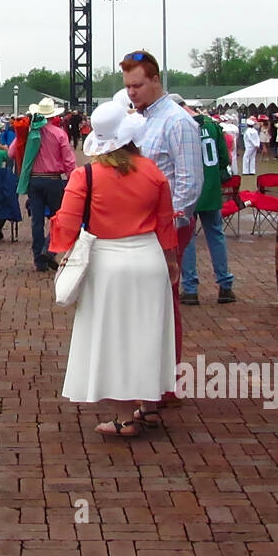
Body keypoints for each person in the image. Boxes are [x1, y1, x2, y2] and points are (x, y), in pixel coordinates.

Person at [50, 100, 177, 437]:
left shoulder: (86, 175)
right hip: (149, 257)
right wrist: (172, 259)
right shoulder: (153, 172)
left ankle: (124, 418)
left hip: (107, 262)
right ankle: (148, 406)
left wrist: (61, 250)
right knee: (149, 332)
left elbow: (68, 221)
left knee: (115, 338)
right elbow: (166, 223)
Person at [121, 52, 203, 388]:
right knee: (147, 305)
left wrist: (172, 227)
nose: (132, 92)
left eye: (138, 85)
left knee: (164, 304)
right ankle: (147, 375)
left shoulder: (177, 122)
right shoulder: (142, 119)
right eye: (128, 86)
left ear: (156, 80)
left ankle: (166, 380)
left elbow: (189, 182)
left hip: (165, 227)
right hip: (140, 225)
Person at [10, 97, 76, 272]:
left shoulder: (29, 133)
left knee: (36, 220)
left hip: (34, 180)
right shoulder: (59, 133)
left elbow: (11, 152)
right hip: (54, 180)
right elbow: (69, 161)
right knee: (60, 217)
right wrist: (73, 179)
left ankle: (38, 258)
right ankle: (50, 248)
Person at [181, 110, 235, 306]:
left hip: (188, 189)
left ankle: (190, 289)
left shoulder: (181, 126)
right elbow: (224, 159)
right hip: (211, 188)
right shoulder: (212, 125)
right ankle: (225, 285)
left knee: (187, 238)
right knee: (216, 235)